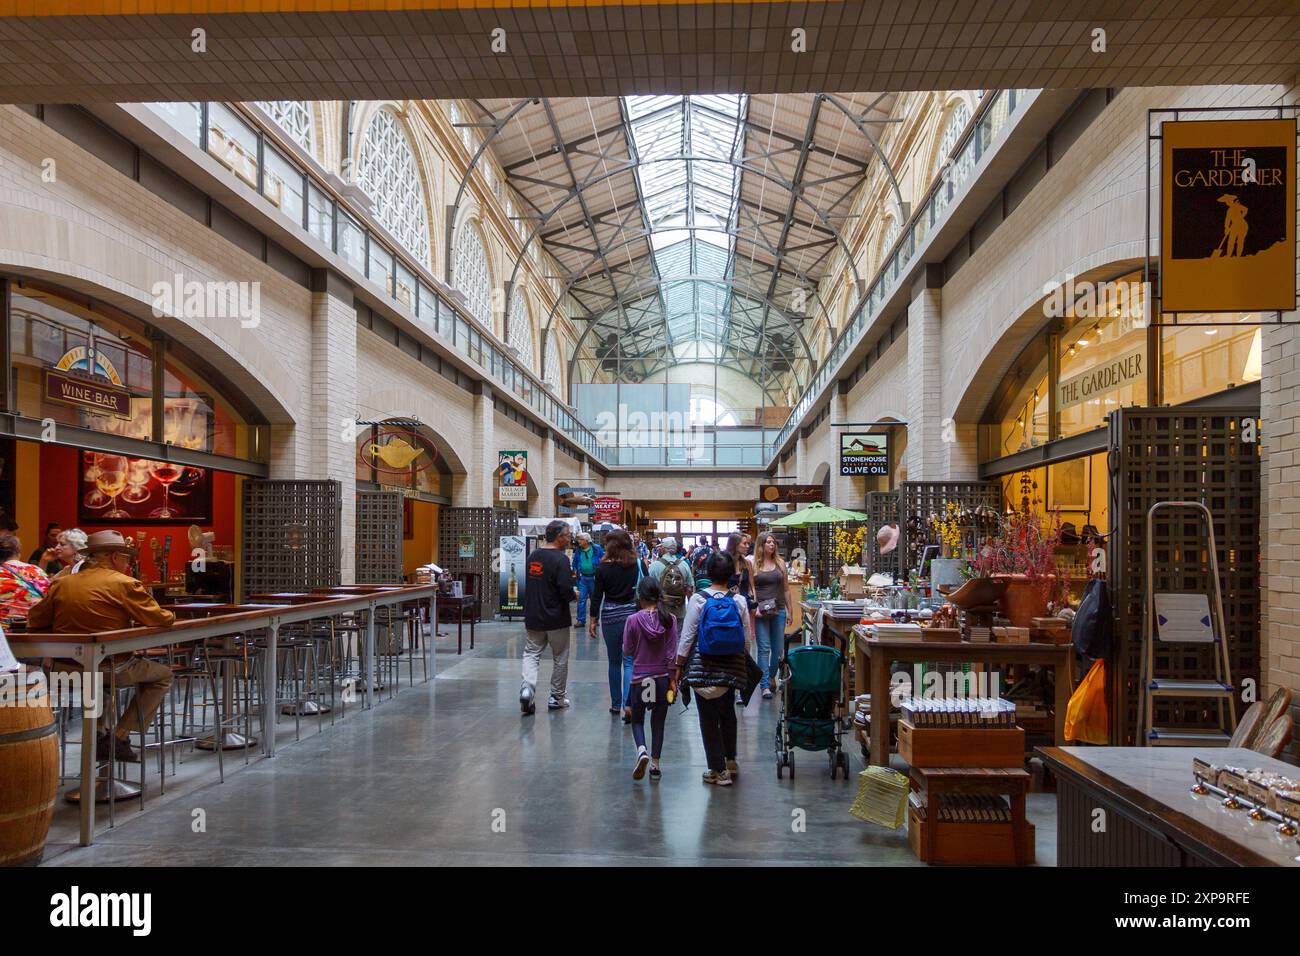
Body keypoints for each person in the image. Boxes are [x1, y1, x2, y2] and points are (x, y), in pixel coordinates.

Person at [26, 530, 175, 763]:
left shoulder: (61, 584)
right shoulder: (124, 583)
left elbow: (35, 621)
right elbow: (160, 619)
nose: (127, 564)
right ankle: (120, 735)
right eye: (126, 558)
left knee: (97, 687)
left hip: (64, 670)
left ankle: (99, 736)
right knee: (163, 676)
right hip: (111, 667)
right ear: (115, 557)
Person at [672, 552, 753, 786]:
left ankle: (717, 770)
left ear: (707, 573)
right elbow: (746, 637)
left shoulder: (699, 599)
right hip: (731, 667)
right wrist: (743, 659)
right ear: (731, 575)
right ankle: (730, 761)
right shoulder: (738, 601)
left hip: (703, 666)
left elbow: (687, 636)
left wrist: (679, 665)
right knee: (728, 713)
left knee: (707, 718)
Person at [520, 519, 578, 715]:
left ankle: (527, 689)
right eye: (568, 535)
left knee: (531, 653)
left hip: (534, 615)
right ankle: (556, 697)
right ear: (559, 537)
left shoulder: (533, 556)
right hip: (556, 618)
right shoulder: (561, 560)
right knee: (560, 657)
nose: (570, 538)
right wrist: (574, 595)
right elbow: (565, 589)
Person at [623, 577, 677, 781]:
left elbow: (627, 650)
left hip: (639, 678)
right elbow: (672, 652)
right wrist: (673, 678)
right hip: (662, 677)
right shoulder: (669, 619)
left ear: (640, 597)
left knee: (637, 720)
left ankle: (642, 750)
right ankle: (655, 765)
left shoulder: (633, 620)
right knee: (658, 722)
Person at [589, 528, 645, 718]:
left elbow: (597, 596)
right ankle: (628, 705)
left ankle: (615, 704)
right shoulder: (636, 564)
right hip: (631, 615)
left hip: (610, 616)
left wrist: (593, 619)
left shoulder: (602, 568)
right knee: (629, 662)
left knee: (614, 662)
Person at [751, 531, 789, 699]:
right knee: (764, 648)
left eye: (773, 542)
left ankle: (772, 674)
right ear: (761, 545)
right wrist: (754, 607)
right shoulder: (753, 564)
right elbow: (751, 589)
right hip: (761, 611)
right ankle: (764, 685)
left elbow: (786, 589)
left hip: (779, 608)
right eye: (768, 542)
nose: (772, 545)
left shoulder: (780, 563)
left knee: (778, 648)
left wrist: (790, 610)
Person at [0, 533, 50, 625]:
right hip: (32, 627)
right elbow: (48, 597)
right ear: (18, 550)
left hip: (3, 630)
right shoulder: (37, 571)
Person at [648, 536, 693, 634]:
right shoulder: (684, 565)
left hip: (660, 611)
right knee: (676, 639)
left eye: (660, 548)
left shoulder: (655, 566)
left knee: (660, 640)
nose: (659, 549)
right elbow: (690, 589)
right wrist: (690, 608)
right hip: (679, 610)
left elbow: (649, 588)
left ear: (664, 549)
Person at [571, 531, 604, 633]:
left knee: (595, 600)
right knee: (581, 599)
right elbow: (575, 562)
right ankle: (581, 620)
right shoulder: (578, 550)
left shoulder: (596, 548)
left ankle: (595, 619)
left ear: (586, 540)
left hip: (594, 578)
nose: (578, 541)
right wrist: (575, 571)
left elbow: (603, 558)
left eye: (580, 539)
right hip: (583, 579)